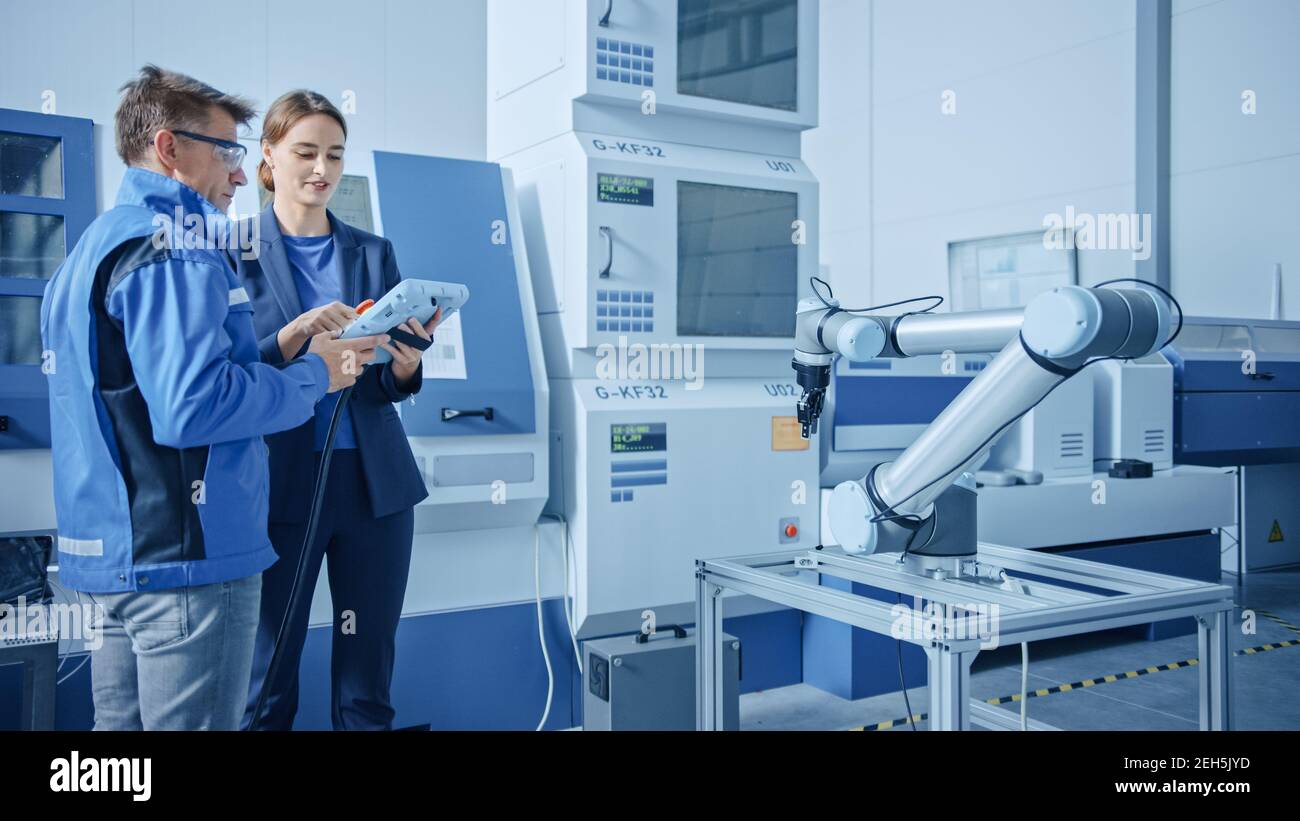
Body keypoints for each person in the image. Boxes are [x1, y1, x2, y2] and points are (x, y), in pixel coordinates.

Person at [39, 66, 386, 730]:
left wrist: (279, 345)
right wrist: (318, 374)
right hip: (188, 563)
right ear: (168, 147)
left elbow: (138, 391)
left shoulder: (93, 247)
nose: (237, 171)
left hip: (110, 562)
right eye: (226, 150)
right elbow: (192, 408)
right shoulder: (181, 247)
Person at [234, 90, 439, 730]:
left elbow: (379, 385)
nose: (321, 169)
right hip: (280, 485)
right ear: (268, 155)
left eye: (334, 155)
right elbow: (232, 373)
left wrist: (406, 366)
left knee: (367, 678)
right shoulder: (230, 249)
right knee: (267, 678)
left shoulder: (372, 253)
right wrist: (295, 332)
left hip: (374, 487)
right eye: (305, 152)